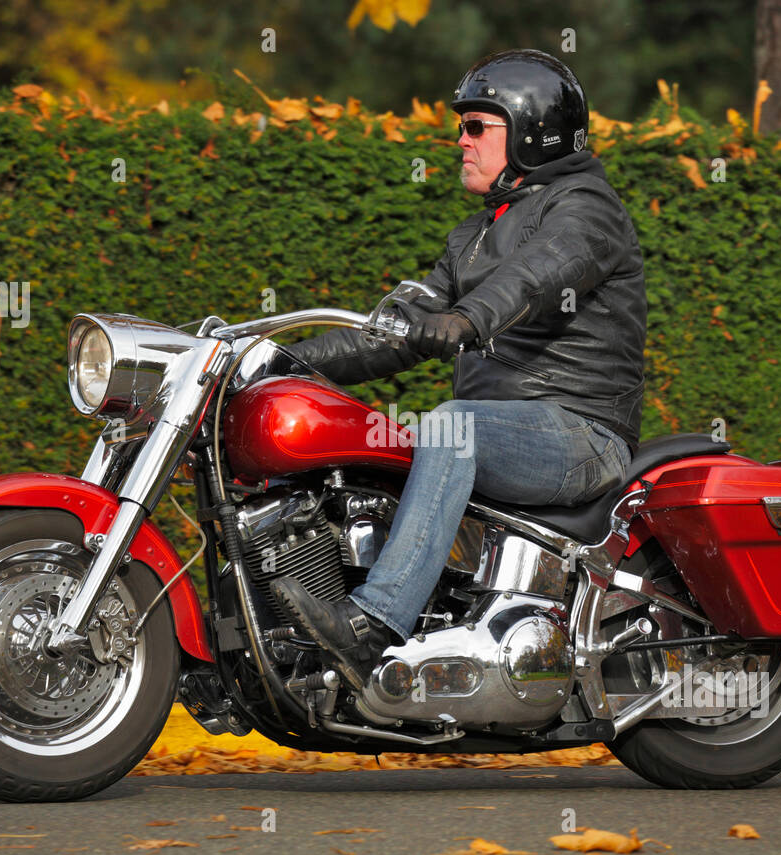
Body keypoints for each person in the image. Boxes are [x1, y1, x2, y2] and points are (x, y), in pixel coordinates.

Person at [270, 49, 647, 691]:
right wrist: (285, 359)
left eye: (478, 126)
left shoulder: (586, 209)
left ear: (532, 132)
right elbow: (394, 336)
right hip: (511, 435)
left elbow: (535, 277)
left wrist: (468, 319)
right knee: (364, 445)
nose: (461, 141)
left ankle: (373, 627)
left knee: (451, 427)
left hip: (580, 433)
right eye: (462, 127)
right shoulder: (473, 236)